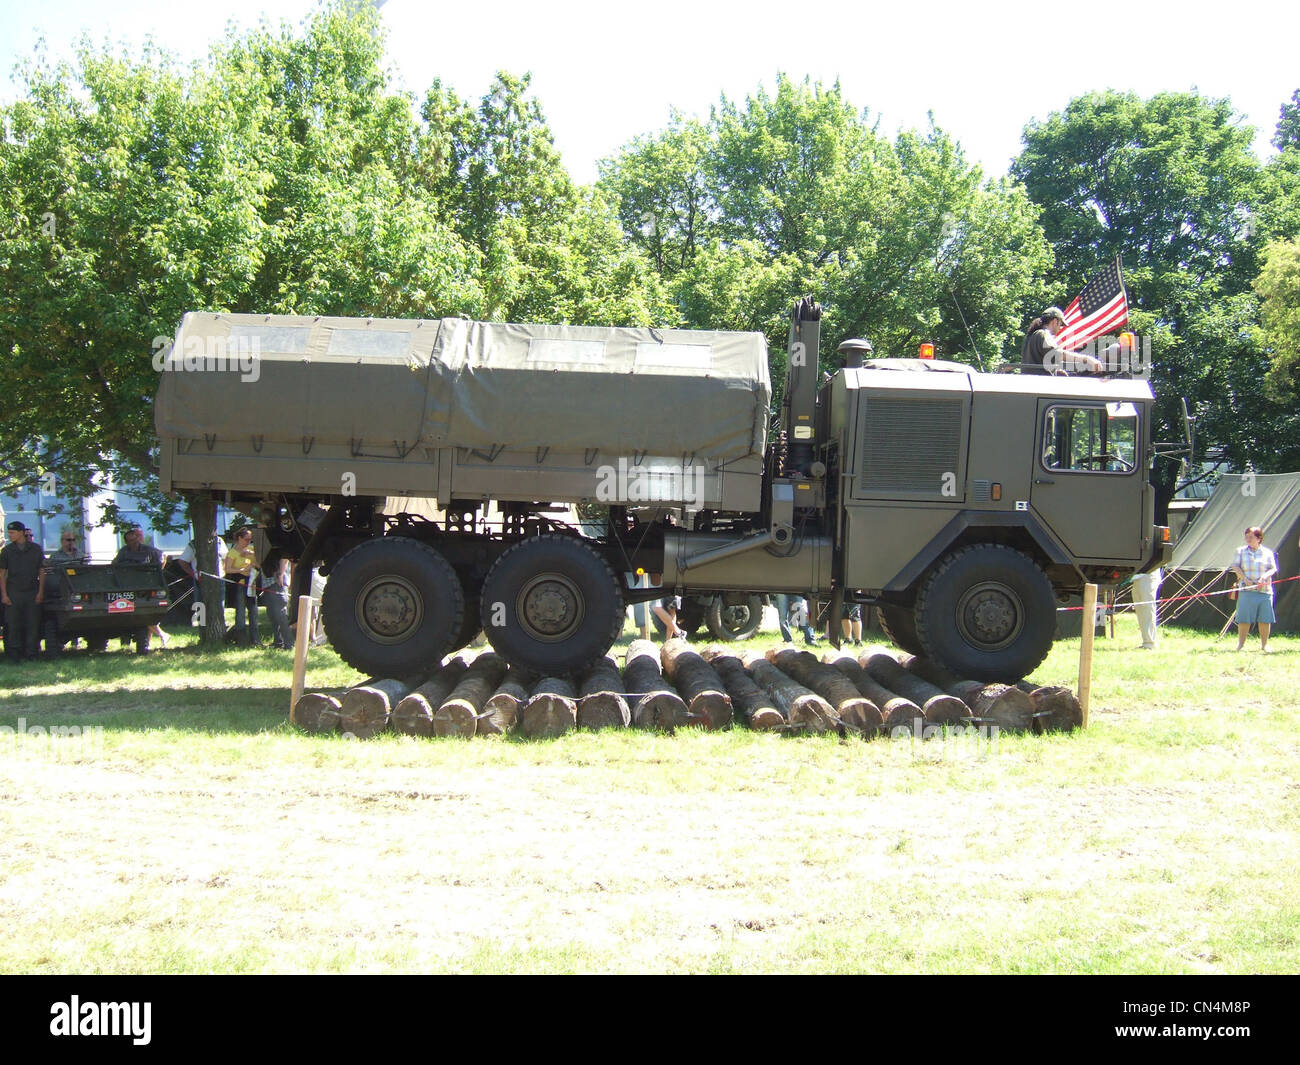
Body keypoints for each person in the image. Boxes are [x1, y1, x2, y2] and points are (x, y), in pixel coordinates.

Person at [114, 524, 168, 650]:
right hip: (128, 587)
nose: (134, 542)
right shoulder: (123, 552)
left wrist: (157, 573)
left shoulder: (148, 550)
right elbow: (114, 565)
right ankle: (153, 639)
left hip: (146, 586)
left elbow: (163, 557)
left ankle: (158, 637)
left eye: (136, 539)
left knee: (145, 613)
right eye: (131, 540)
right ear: (126, 542)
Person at [0, 520, 46, 663]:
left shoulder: (36, 549)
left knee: (32, 624)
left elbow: (42, 571)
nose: (10, 535)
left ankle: (31, 654)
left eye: (13, 532)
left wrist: (40, 592)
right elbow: (2, 574)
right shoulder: (7, 551)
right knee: (13, 625)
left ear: (21, 533)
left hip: (32, 591)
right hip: (14, 592)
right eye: (9, 532)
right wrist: (4, 595)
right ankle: (14, 655)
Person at [1230, 526, 1278, 652]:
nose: (1248, 539)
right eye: (1246, 537)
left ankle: (1264, 645)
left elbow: (1273, 568)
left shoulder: (1268, 552)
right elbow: (1235, 566)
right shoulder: (1240, 551)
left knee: (1265, 619)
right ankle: (1240, 644)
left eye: (1251, 537)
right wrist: (1245, 579)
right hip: (1247, 590)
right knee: (1244, 618)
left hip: (1264, 591)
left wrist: (1264, 577)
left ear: (1259, 538)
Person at [1020, 307, 1104, 376]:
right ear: (1055, 321)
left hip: (1029, 384)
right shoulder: (1043, 334)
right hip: (1042, 386)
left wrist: (1058, 371)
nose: (1060, 328)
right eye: (1061, 325)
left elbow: (1040, 360)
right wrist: (1088, 359)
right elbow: (1058, 354)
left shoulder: (1030, 336)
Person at [223, 526, 257, 643]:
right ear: (239, 538)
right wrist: (241, 570)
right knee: (241, 611)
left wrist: (251, 555)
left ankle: (255, 639)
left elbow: (258, 563)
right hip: (240, 583)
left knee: (253, 610)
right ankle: (241, 639)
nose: (248, 542)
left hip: (251, 583)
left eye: (250, 540)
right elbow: (227, 569)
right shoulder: (232, 552)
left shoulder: (251, 549)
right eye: (246, 539)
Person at [260, 557, 293, 650]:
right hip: (267, 584)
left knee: (281, 615)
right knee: (272, 615)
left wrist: (281, 574)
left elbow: (284, 558)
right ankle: (278, 641)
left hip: (277, 583)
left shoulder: (279, 546)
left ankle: (289, 644)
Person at [1131, 567, 1162, 649]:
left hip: (1149, 573)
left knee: (1147, 608)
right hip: (1138, 574)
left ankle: (1150, 643)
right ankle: (1146, 642)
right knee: (1140, 608)